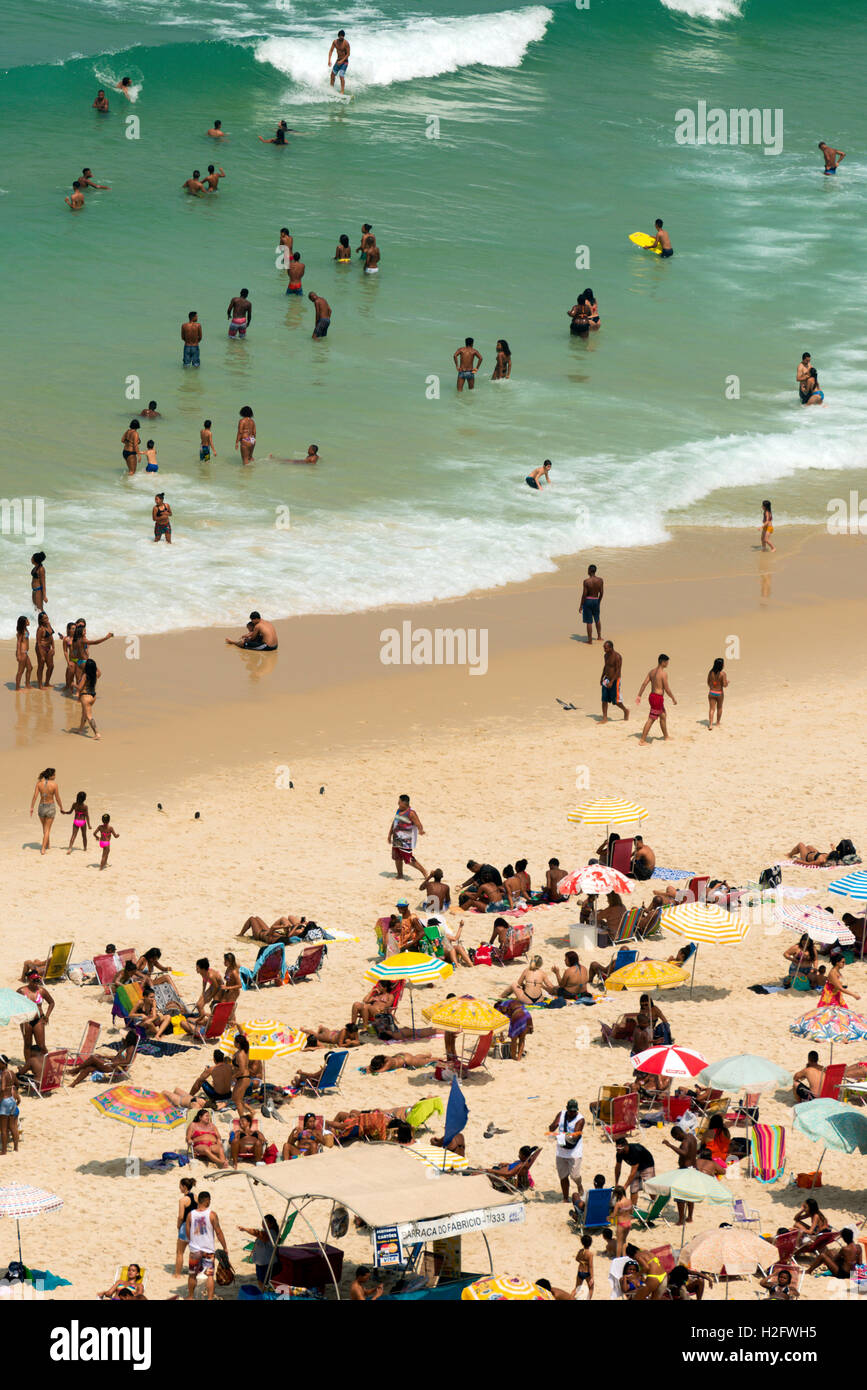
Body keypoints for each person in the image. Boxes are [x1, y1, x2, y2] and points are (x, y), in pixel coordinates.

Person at [186, 1192, 228, 1300]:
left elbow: (187, 1232)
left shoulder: (191, 1214)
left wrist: (193, 1242)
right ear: (207, 1200)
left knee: (192, 1274)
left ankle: (190, 1296)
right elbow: (218, 1232)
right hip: (208, 1250)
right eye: (210, 1200)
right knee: (209, 1275)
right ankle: (209, 1298)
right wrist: (225, 1247)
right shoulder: (212, 1214)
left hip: (195, 1250)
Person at [549, 1098, 585, 1203]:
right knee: (563, 1176)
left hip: (574, 1151)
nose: (573, 1113)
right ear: (567, 1109)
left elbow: (574, 1137)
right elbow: (551, 1128)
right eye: (571, 1111)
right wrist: (553, 1127)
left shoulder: (580, 1119)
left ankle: (579, 1184)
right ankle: (565, 1198)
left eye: (575, 1111)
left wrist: (561, 1136)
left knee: (575, 1175)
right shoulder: (561, 1114)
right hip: (561, 1151)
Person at [637, 654, 677, 745]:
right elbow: (667, 689)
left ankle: (666, 736)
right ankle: (642, 740)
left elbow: (644, 684)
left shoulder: (652, 672)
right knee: (651, 719)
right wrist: (673, 698)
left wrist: (639, 695)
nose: (668, 663)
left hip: (652, 696)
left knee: (663, 715)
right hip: (657, 698)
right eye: (667, 662)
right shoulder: (663, 674)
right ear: (663, 662)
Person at [661, 1125, 698, 1224]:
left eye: (675, 1138)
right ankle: (689, 1217)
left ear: (678, 1134)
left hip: (685, 1171)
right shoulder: (691, 1136)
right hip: (693, 1169)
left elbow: (684, 1153)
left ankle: (681, 1220)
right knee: (690, 1194)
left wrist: (670, 1145)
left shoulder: (685, 1141)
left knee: (679, 1196)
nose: (676, 1140)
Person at [387, 793, 426, 879]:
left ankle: (424, 871)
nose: (398, 803)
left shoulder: (411, 813)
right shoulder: (399, 810)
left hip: (405, 841)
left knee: (408, 859)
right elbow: (394, 822)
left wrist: (421, 830)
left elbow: (418, 824)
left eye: (399, 802)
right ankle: (400, 875)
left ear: (405, 803)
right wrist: (390, 834)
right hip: (396, 839)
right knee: (397, 858)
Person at [239, 1214, 280, 1289]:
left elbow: (257, 1233)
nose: (263, 1224)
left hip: (267, 1263)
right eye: (262, 1222)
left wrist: (245, 1229)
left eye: (265, 1223)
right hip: (261, 1262)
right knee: (261, 1282)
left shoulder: (272, 1233)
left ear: (271, 1224)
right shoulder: (266, 1231)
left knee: (265, 1283)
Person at [31, 767, 64, 853]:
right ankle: (43, 849)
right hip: (50, 807)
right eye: (54, 774)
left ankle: (47, 844)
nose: (55, 776)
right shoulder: (54, 785)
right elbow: (57, 798)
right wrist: (61, 807)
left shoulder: (39, 784)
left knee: (45, 828)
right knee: (47, 829)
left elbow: (35, 796)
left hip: (41, 806)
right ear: (51, 776)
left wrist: (32, 807)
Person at [598, 640, 629, 722]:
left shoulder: (617, 657)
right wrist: (602, 677)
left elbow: (618, 670)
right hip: (606, 679)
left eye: (606, 648)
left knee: (616, 701)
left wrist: (612, 682)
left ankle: (625, 710)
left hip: (615, 680)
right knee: (604, 699)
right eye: (604, 648)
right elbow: (606, 667)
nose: (604, 649)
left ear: (611, 648)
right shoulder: (605, 656)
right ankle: (605, 718)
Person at [175, 1177, 197, 1275]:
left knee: (180, 1252)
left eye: (180, 1185)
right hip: (195, 1227)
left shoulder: (183, 1200)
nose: (179, 1187)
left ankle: (177, 1274)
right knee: (194, 1253)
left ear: (184, 1187)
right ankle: (194, 1272)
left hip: (185, 1227)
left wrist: (178, 1226)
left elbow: (181, 1216)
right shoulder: (196, 1197)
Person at [0, 1056, 20, 1155]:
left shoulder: (3, 1074)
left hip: (5, 1101)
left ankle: (3, 1151)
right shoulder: (11, 1072)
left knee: (3, 1128)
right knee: (12, 1126)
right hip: (12, 1100)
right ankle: (16, 1148)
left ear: (3, 1064)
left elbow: (2, 1088)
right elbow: (17, 1084)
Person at [580, 565, 603, 643]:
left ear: (589, 571)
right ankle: (599, 636)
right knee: (597, 619)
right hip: (596, 600)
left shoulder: (586, 581)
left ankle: (590, 640)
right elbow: (602, 593)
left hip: (588, 601)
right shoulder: (600, 580)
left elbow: (584, 594)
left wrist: (581, 605)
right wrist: (598, 602)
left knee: (589, 622)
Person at [612, 1186, 634, 1257]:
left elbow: (614, 1215)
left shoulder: (618, 1204)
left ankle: (618, 1258)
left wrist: (608, 1217)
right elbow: (631, 1212)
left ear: (618, 1194)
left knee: (619, 1243)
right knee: (624, 1241)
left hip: (621, 1224)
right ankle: (624, 1256)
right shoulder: (630, 1201)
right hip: (628, 1223)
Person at [707, 656, 729, 727]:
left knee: (711, 709)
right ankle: (717, 723)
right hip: (719, 693)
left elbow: (708, 682)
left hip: (711, 692)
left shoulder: (710, 672)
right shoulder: (723, 674)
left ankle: (710, 724)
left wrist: (712, 686)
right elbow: (725, 685)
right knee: (719, 708)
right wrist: (727, 682)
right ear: (721, 665)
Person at [34, 612, 54, 689]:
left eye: (47, 617)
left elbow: (51, 637)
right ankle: (40, 685)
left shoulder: (48, 625)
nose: (47, 619)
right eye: (45, 618)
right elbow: (38, 642)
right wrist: (41, 655)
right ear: (41, 620)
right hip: (41, 648)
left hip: (48, 648)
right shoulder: (40, 629)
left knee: (51, 666)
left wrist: (53, 648)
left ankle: (47, 683)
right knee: (41, 666)